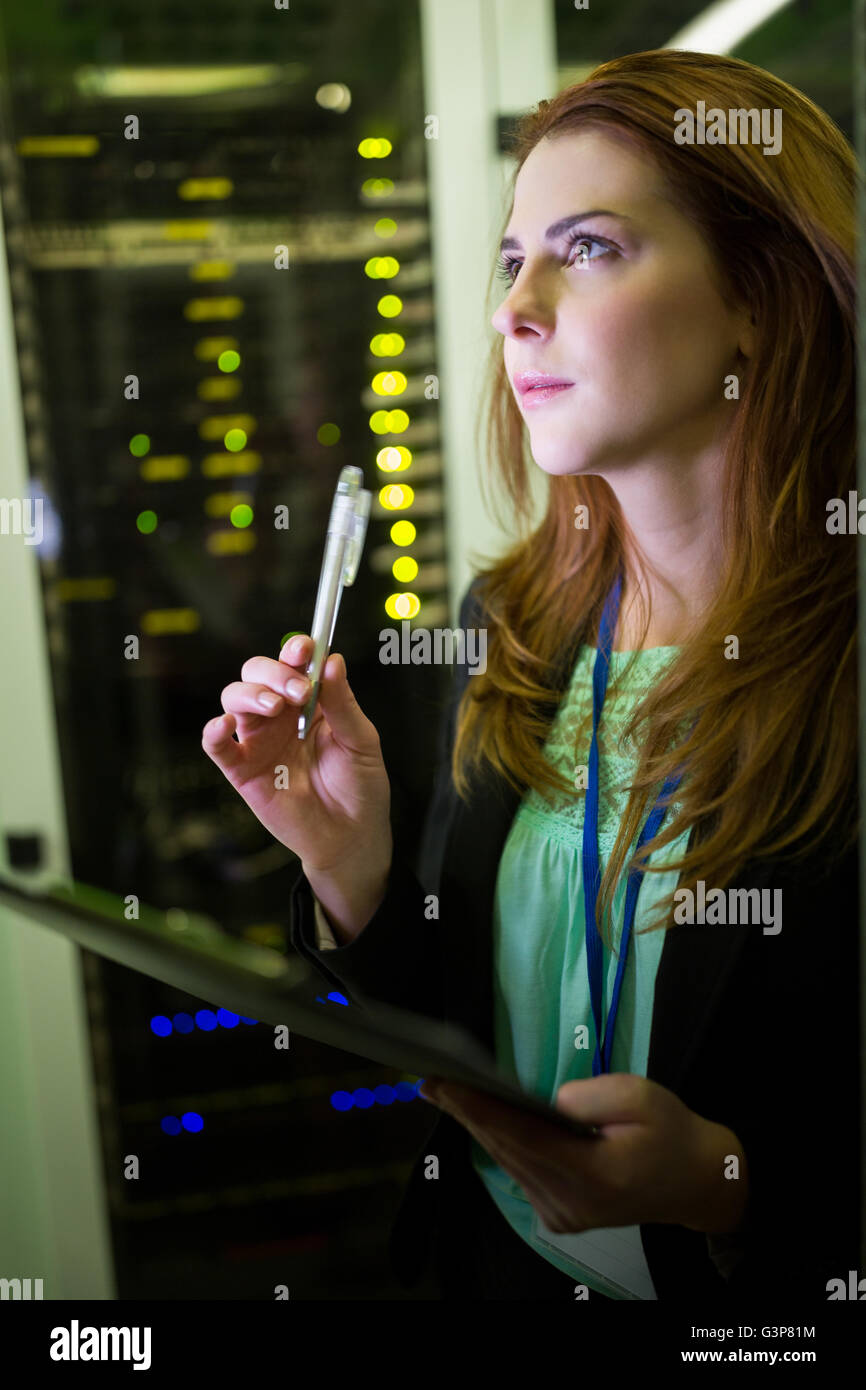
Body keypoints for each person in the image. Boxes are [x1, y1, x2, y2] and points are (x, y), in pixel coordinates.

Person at [202, 48, 859, 1302]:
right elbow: (465, 1031)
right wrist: (350, 868)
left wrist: (723, 1181)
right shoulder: (512, 621)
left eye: (590, 248)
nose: (513, 307)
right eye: (512, 260)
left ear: (761, 295)